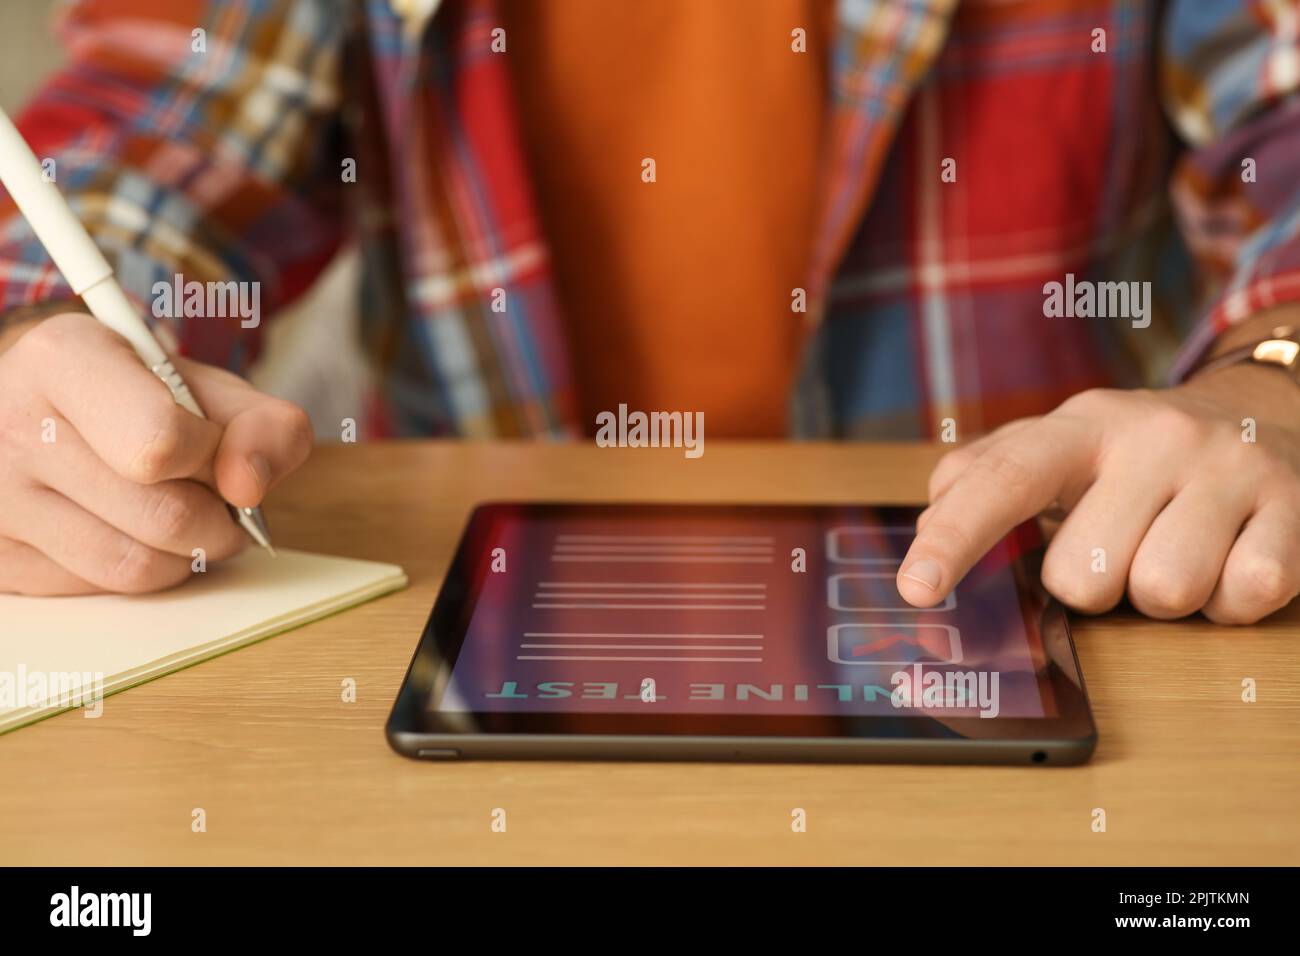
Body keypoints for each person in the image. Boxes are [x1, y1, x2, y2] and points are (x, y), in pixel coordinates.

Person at [0, 0, 1296, 623]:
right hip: (453, 617)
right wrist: (29, 348)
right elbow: (147, 135)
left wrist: (1272, 382)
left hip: (1063, 603)